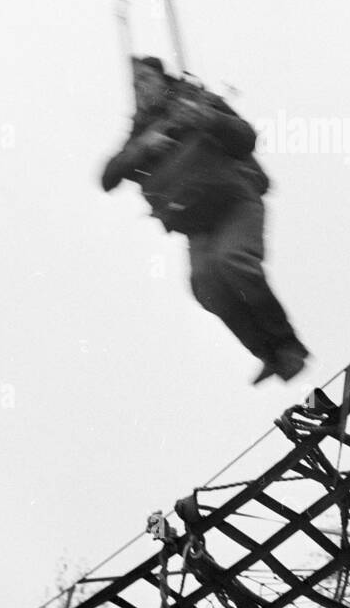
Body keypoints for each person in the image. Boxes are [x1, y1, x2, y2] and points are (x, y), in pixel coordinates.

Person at [100, 57, 309, 384]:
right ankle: (267, 353)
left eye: (145, 79)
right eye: (134, 84)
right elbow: (108, 177)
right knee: (206, 285)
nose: (140, 88)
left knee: (233, 261)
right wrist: (144, 146)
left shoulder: (195, 100)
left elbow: (245, 137)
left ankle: (286, 346)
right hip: (197, 226)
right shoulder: (139, 135)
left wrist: (208, 119)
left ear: (161, 79)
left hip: (235, 205)